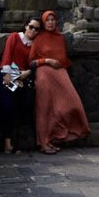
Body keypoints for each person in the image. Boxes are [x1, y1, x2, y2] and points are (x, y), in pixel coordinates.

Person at [29, 10, 90, 154]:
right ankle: (44, 142)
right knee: (44, 109)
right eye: (47, 20)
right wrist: (47, 60)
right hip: (44, 74)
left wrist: (58, 64)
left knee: (70, 104)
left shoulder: (59, 38)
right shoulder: (39, 38)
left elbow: (63, 58)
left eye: (52, 19)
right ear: (44, 23)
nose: (50, 22)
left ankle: (54, 137)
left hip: (60, 73)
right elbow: (31, 61)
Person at [0, 15, 41, 154]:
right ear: (26, 26)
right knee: (7, 105)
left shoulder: (34, 46)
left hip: (21, 78)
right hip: (8, 74)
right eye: (31, 27)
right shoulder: (15, 37)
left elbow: (33, 64)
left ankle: (5, 140)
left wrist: (27, 72)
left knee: (15, 109)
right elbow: (7, 56)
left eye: (37, 29)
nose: (33, 31)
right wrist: (7, 75)